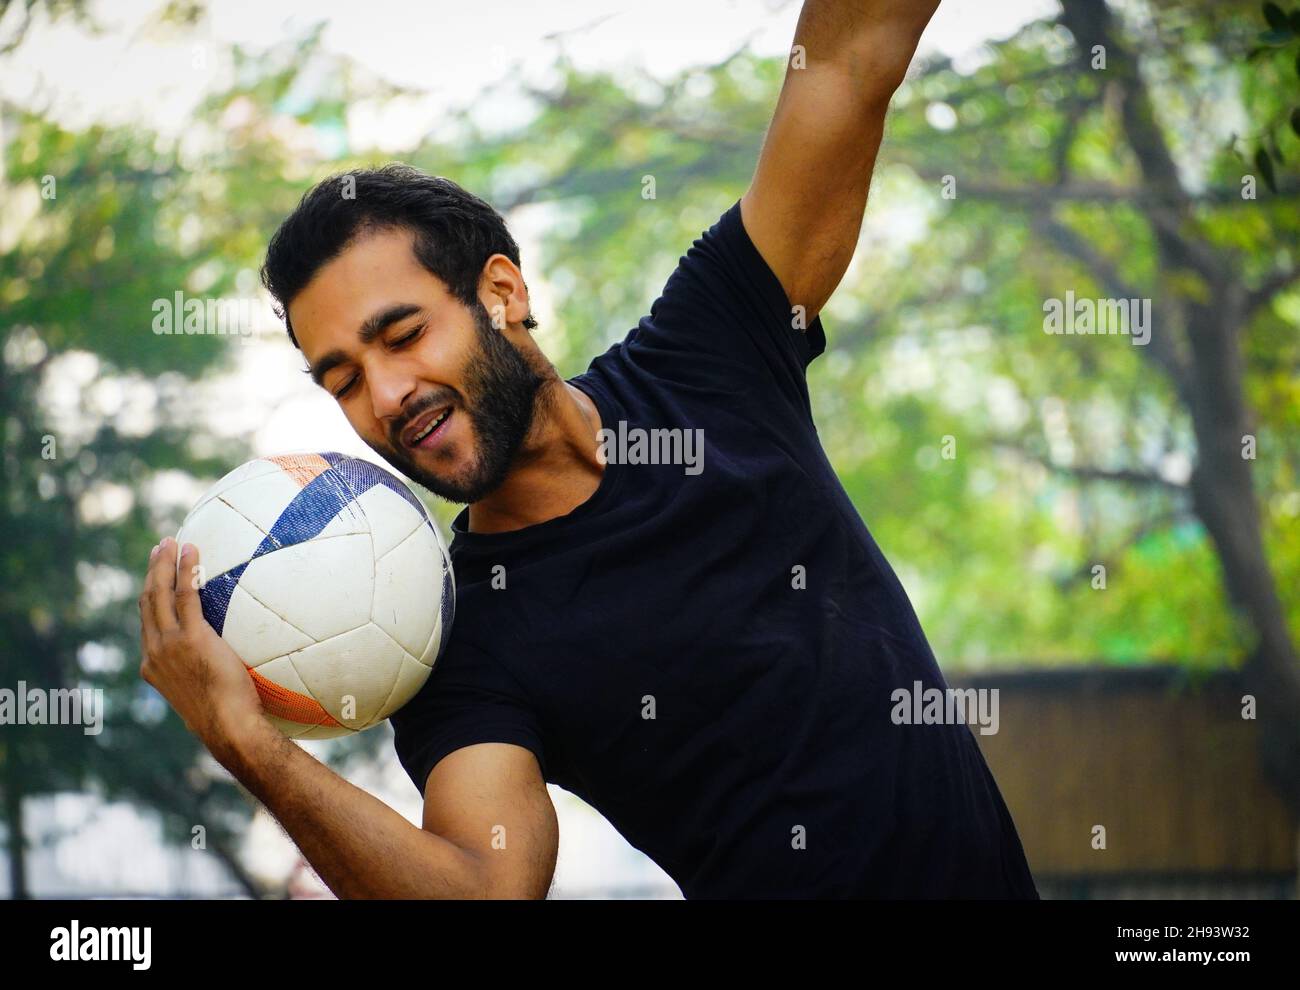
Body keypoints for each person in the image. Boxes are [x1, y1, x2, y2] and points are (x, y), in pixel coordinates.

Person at [139, 0, 1038, 898]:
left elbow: (849, 61)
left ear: (499, 291)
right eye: (342, 380)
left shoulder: (710, 352)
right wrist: (245, 743)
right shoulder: (460, 641)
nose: (384, 396)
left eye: (403, 334)